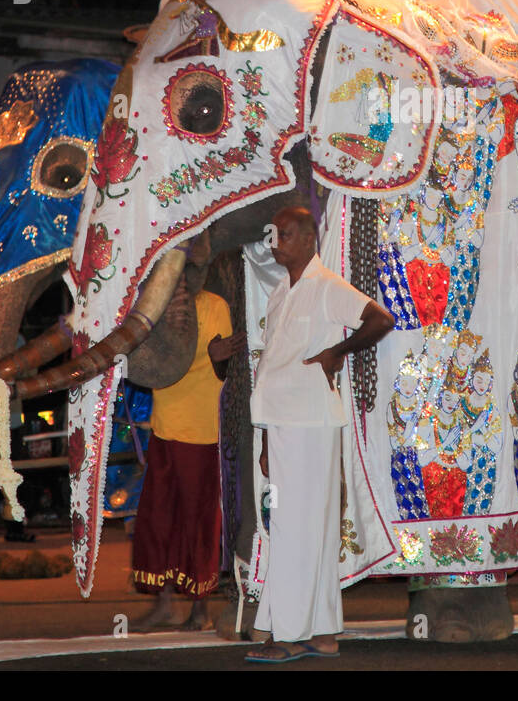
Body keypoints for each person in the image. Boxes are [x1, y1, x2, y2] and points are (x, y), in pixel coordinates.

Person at [245, 207, 395, 662]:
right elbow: (273, 368)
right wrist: (268, 442)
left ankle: (289, 634)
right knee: (304, 527)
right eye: (273, 234)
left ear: (310, 238)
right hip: (286, 427)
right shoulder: (279, 293)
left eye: (284, 234)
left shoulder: (327, 286)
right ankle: (323, 631)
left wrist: (337, 351)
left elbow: (380, 319)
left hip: (310, 426)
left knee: (297, 528)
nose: (275, 241)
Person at [130, 284, 243, 631]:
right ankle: (164, 604)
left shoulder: (213, 306)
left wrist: (218, 357)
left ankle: (200, 608)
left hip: (202, 433)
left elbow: (225, 370)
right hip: (164, 428)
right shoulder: (154, 302)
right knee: (157, 519)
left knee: (198, 524)